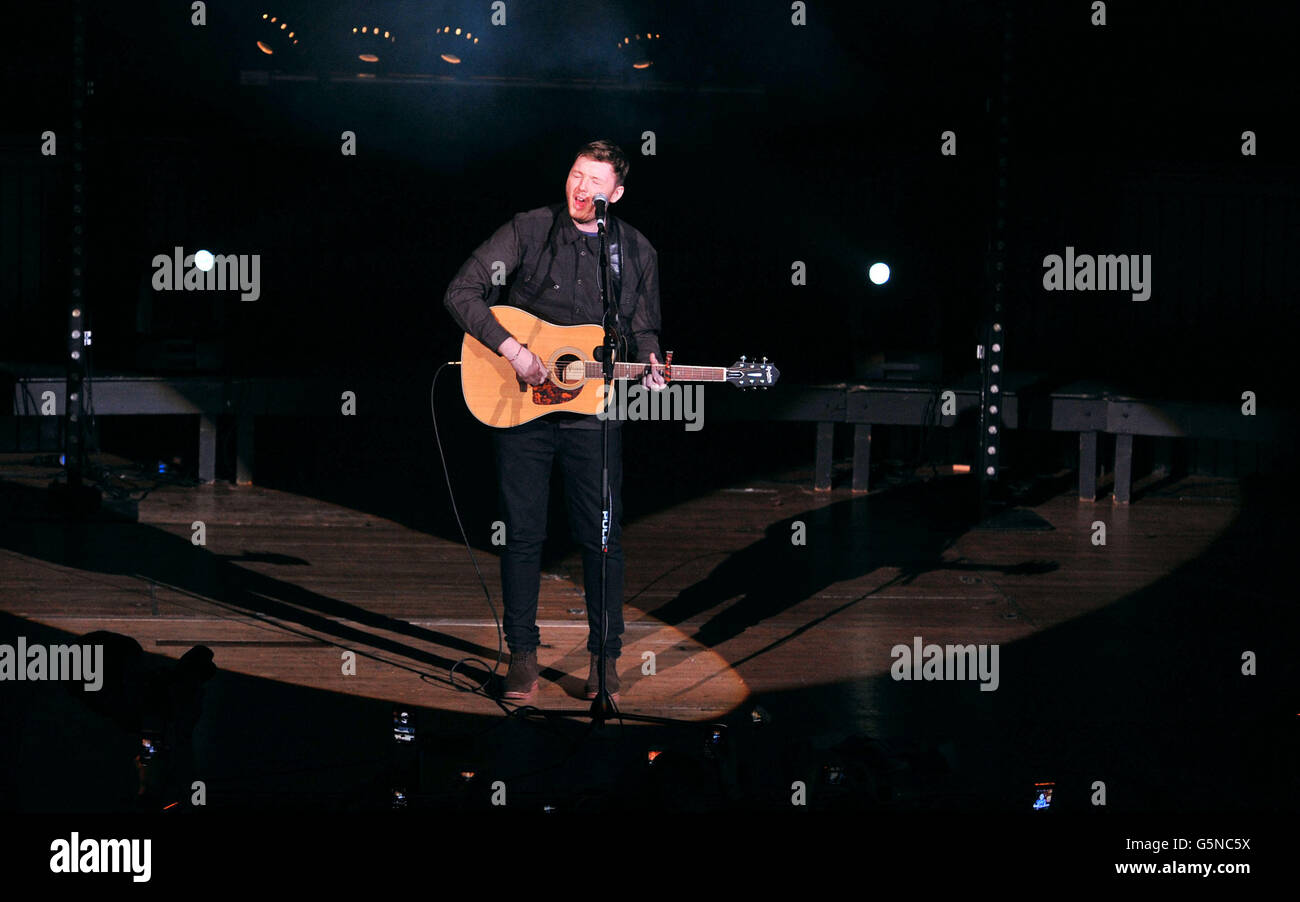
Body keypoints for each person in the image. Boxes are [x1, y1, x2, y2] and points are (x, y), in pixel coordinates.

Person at [444, 139, 665, 702]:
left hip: (594, 410)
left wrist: (653, 363)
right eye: (575, 174)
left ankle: (604, 658)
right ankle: (522, 656)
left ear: (614, 193)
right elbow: (462, 292)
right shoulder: (528, 229)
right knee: (523, 535)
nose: (580, 187)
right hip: (521, 406)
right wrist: (513, 349)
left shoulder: (635, 251)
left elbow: (643, 332)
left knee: (603, 538)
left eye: (594, 181)